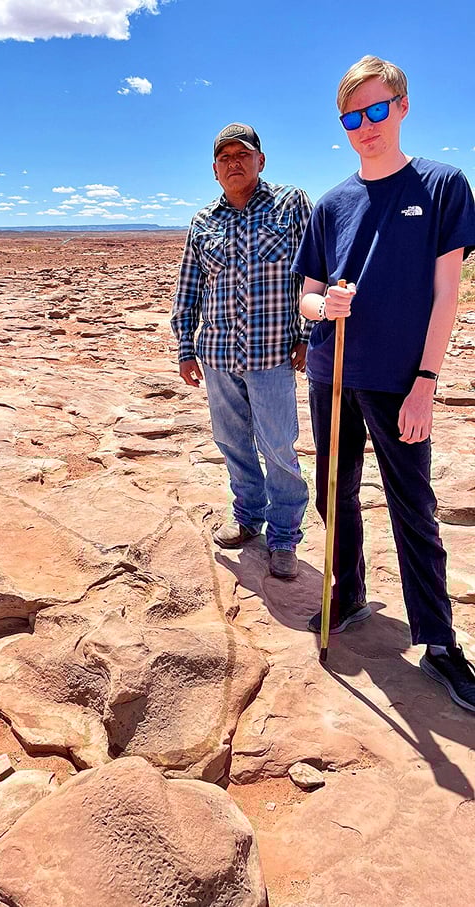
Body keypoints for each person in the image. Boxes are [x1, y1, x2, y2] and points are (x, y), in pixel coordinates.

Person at [293, 55, 475, 711]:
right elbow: (307, 299)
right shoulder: (330, 204)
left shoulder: (442, 185)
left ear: (401, 106)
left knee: (413, 508)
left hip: (401, 379)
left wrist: (427, 380)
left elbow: (446, 293)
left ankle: (440, 642)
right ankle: (348, 592)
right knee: (333, 493)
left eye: (375, 110)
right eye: (351, 116)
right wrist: (323, 309)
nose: (364, 126)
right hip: (332, 371)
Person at [171, 122, 311, 579]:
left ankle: (285, 537)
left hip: (272, 353)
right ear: (215, 170)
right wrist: (185, 348)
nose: (234, 163)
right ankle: (248, 519)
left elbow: (315, 270)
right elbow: (188, 289)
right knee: (232, 442)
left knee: (278, 446)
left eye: (242, 154)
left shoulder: (289, 204)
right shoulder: (202, 222)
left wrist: (308, 335)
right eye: (225, 158)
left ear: (260, 161)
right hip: (216, 355)